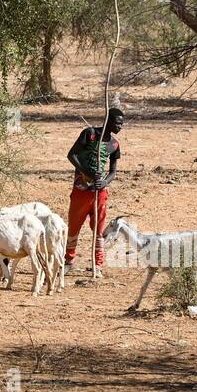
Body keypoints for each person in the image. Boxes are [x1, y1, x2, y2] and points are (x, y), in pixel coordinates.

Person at [65, 106, 123, 275]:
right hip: (82, 188)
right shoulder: (89, 134)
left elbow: (113, 171)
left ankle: (98, 264)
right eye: (118, 123)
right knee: (74, 226)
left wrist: (104, 182)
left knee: (99, 229)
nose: (120, 127)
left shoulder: (114, 144)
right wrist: (87, 172)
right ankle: (69, 260)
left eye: (122, 124)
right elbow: (71, 155)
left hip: (100, 191)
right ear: (108, 121)